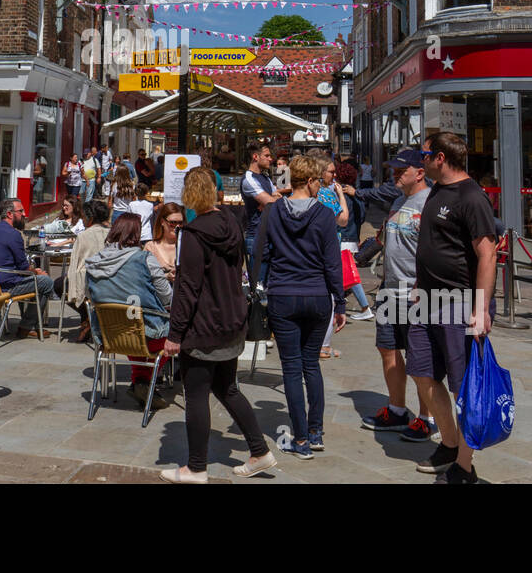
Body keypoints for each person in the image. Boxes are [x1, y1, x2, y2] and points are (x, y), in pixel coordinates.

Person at [160, 167, 274, 482]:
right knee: (227, 388)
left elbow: (187, 290)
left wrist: (175, 334)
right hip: (231, 319)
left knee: (196, 395)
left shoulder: (194, 235)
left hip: (204, 325)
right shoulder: (232, 224)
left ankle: (195, 467)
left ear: (189, 195)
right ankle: (260, 451)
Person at [409, 132, 499, 484]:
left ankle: (464, 467)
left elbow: (487, 253)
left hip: (458, 303)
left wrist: (481, 308)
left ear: (441, 158)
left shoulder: (471, 196)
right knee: (422, 373)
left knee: (464, 389)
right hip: (426, 301)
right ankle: (448, 443)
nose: (421, 160)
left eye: (424, 154)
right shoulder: (437, 190)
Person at [254, 153, 346, 458]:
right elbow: (333, 264)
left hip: (283, 293)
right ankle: (316, 430)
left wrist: (260, 284)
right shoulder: (323, 215)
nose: (321, 185)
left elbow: (260, 252)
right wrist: (341, 301)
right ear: (309, 181)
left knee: (291, 368)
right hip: (318, 295)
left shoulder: (273, 210)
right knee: (311, 365)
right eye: (319, 179)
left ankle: (302, 439)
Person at [362, 150, 436, 441]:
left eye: (400, 169)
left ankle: (426, 417)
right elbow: (384, 237)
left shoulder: (430, 203)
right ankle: (396, 409)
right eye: (392, 169)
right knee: (388, 349)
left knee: (420, 357)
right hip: (389, 290)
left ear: (420, 172)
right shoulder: (397, 201)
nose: (394, 173)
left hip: (416, 294)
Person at [87, 213, 172, 406]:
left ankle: (141, 382)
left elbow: (90, 296)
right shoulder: (144, 259)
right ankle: (147, 382)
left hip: (109, 335)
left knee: (134, 326)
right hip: (147, 332)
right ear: (136, 234)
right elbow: (167, 296)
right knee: (180, 330)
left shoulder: (94, 262)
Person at [0, 197, 54, 338]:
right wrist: (37, 271)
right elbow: (23, 267)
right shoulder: (14, 234)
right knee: (46, 282)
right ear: (10, 214)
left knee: (26, 278)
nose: (24, 214)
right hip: (6, 285)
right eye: (20, 211)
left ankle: (30, 325)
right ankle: (26, 326)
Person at [316, 153, 372, 323]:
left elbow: (343, 220)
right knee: (346, 273)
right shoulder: (351, 194)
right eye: (332, 172)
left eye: (336, 172)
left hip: (344, 239)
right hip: (350, 238)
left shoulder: (335, 193)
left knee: (347, 274)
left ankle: (362, 307)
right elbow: (361, 215)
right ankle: (360, 306)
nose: (334, 176)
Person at [60, 200, 109, 342]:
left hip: (88, 281)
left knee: (59, 285)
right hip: (107, 279)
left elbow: (74, 263)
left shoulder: (83, 236)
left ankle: (87, 318)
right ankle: (87, 319)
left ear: (90, 218)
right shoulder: (111, 233)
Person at [241, 142, 280, 280]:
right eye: (267, 155)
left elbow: (276, 198)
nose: (271, 159)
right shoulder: (248, 179)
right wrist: (269, 201)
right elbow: (272, 202)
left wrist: (269, 201)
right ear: (255, 157)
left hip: (269, 235)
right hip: (256, 236)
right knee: (257, 287)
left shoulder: (265, 178)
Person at [111, 167, 154, 242]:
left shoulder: (114, 185)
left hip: (117, 213)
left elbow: (110, 201)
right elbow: (134, 200)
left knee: (116, 239)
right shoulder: (132, 185)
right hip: (130, 214)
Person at [144, 202, 184, 282]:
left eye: (180, 223)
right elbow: (144, 275)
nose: (177, 226)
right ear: (162, 222)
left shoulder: (187, 246)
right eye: (173, 223)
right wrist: (166, 276)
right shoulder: (151, 247)